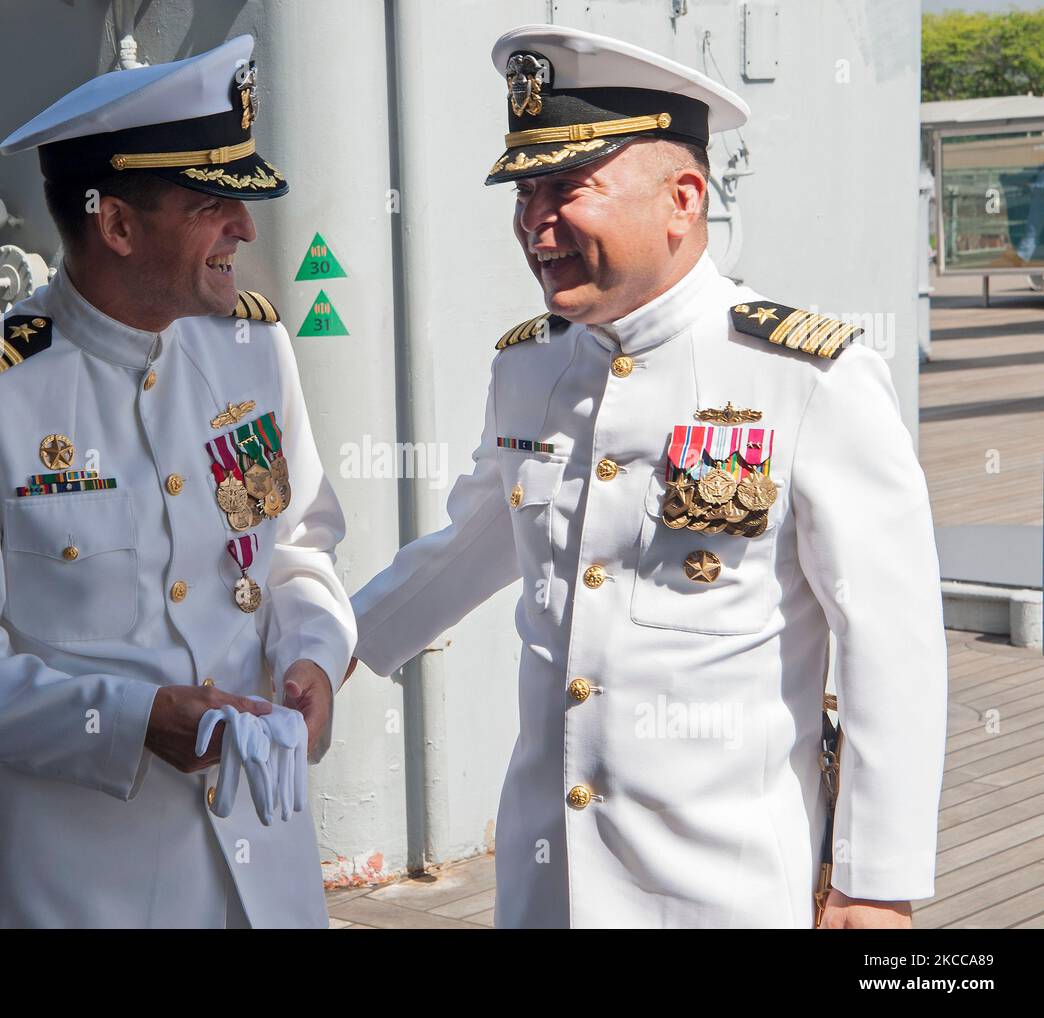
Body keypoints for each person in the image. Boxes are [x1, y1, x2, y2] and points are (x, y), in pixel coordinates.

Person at [347, 25, 947, 929]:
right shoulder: (529, 371)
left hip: (721, 890)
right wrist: (335, 644)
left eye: (566, 188)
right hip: (549, 883)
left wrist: (875, 881)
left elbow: (891, 645)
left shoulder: (806, 376)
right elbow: (473, 541)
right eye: (523, 191)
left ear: (684, 198)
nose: (532, 221)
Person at [0, 35, 355, 928]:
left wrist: (314, 651)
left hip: (263, 875)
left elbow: (295, 546)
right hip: (80, 888)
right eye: (213, 206)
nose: (244, 228)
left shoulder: (252, 348)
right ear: (118, 225)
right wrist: (128, 722)